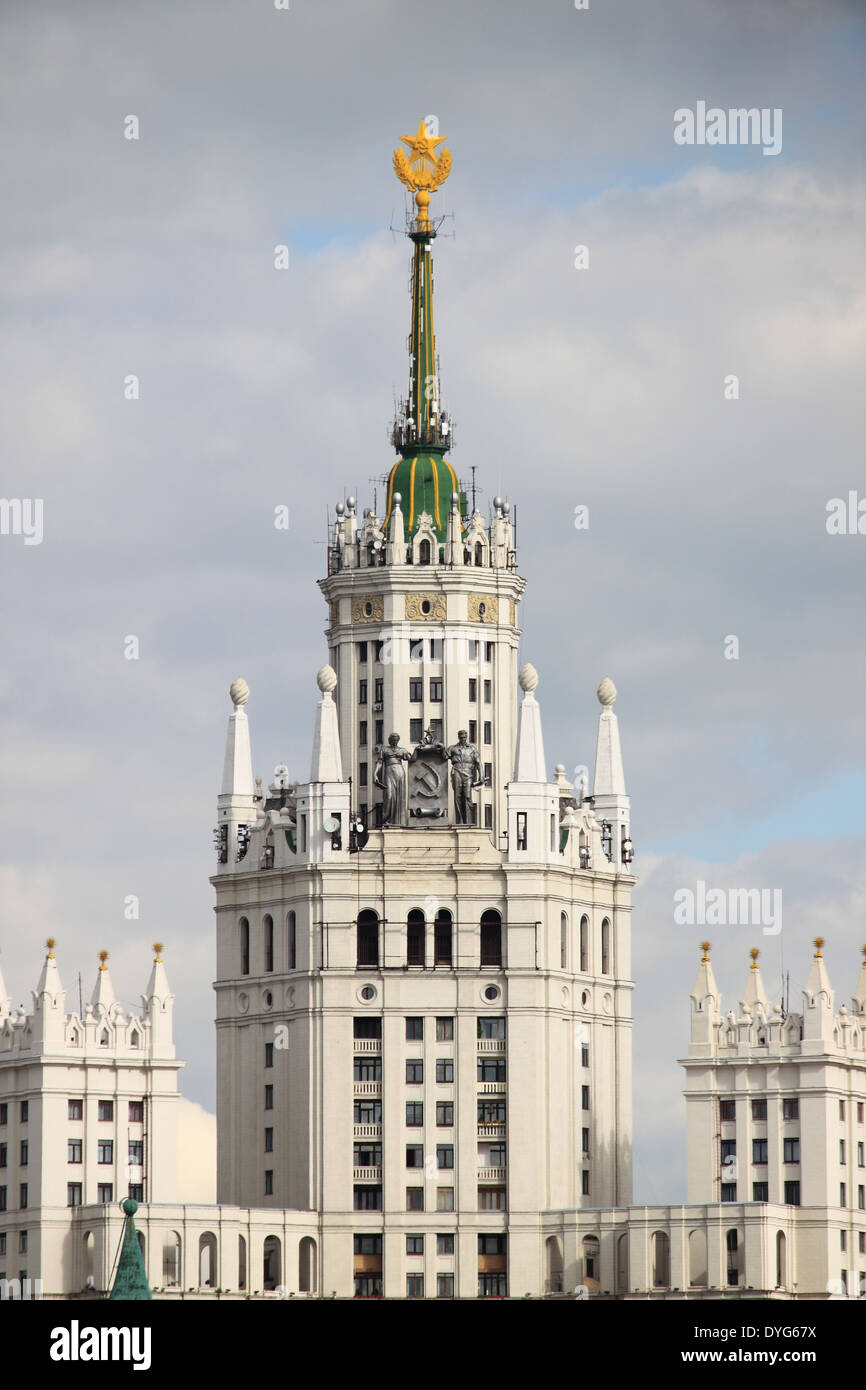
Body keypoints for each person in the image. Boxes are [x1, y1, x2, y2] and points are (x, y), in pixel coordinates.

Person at [445, 729, 482, 824]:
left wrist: (481, 776)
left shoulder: (472, 749)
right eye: (461, 738)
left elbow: (478, 763)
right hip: (456, 772)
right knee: (457, 796)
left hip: (468, 773)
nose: (463, 739)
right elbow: (443, 757)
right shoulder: (452, 748)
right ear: (458, 737)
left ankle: (468, 822)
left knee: (467, 797)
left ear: (467, 737)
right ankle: (460, 822)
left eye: (465, 737)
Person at [374, 733, 410, 826]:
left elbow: (411, 758)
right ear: (389, 740)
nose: (395, 741)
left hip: (400, 773)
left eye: (396, 740)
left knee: (400, 797)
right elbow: (380, 762)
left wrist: (419, 749)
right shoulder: (384, 749)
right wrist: (375, 774)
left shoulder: (402, 750)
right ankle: (387, 819)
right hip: (389, 772)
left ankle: (398, 822)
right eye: (393, 740)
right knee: (389, 796)